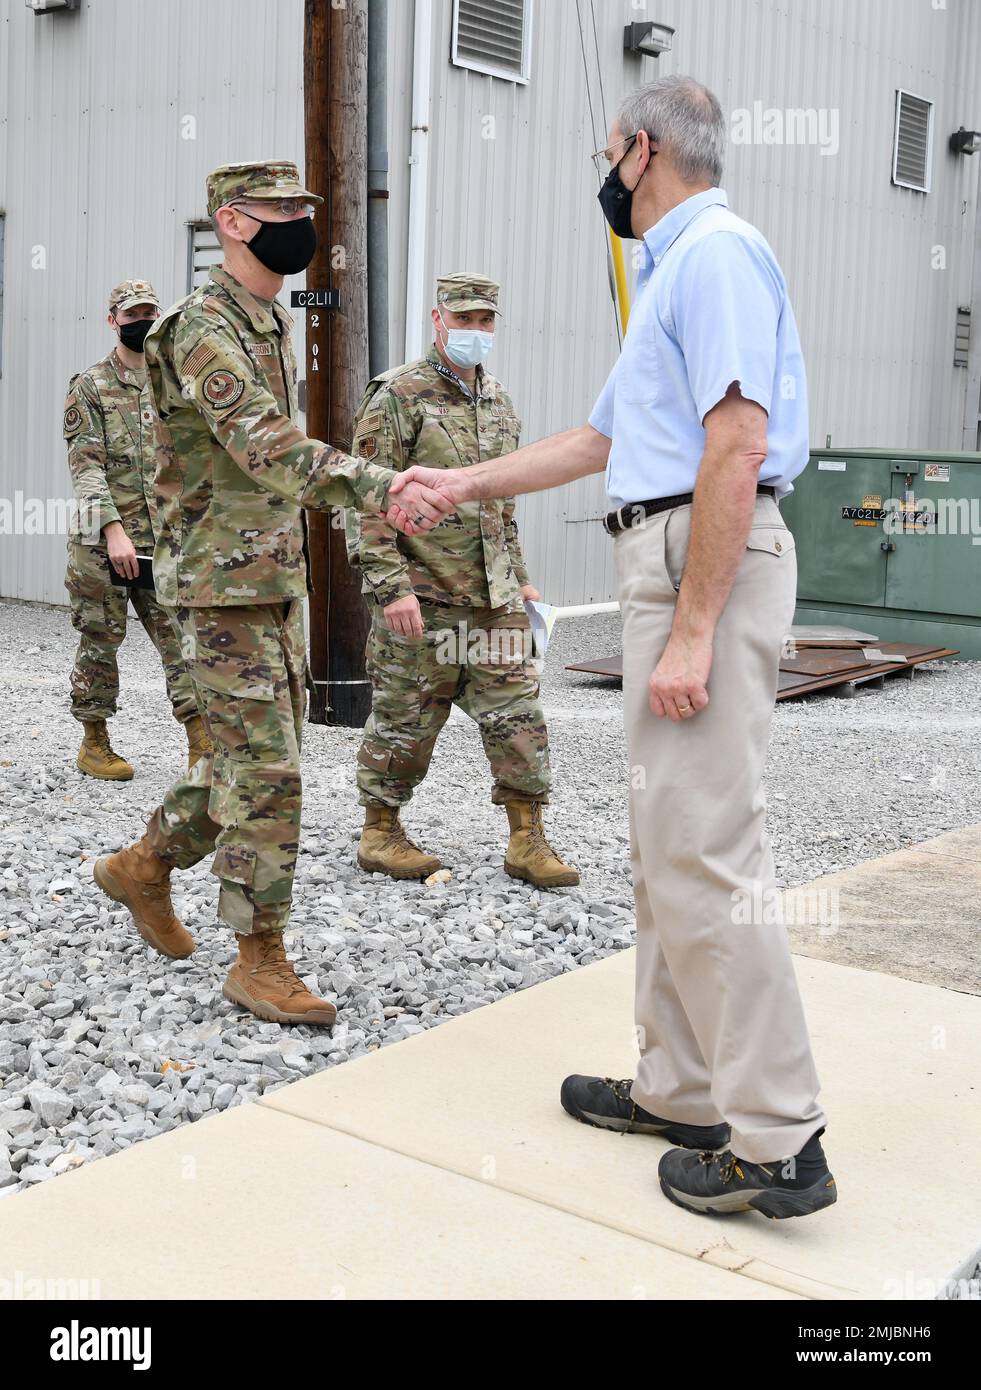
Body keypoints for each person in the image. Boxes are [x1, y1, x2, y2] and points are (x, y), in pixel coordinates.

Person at [388, 77, 836, 1220]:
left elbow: (737, 443)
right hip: (667, 548)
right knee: (666, 844)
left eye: (609, 153)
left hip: (703, 560)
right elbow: (604, 438)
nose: (605, 174)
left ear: (643, 150)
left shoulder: (719, 253)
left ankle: (782, 1143)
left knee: (709, 847)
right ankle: (683, 1090)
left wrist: (693, 629)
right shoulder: (669, 273)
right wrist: (463, 480)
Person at [93, 161, 451, 1027]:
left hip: (269, 580)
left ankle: (142, 865)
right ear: (233, 221)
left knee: (238, 765)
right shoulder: (201, 325)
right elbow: (264, 446)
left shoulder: (265, 321)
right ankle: (259, 959)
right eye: (282, 210)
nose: (301, 222)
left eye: (305, 209)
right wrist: (381, 484)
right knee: (270, 774)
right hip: (220, 588)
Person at [346, 272, 578, 889]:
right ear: (437, 318)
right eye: (464, 318)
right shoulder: (397, 395)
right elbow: (365, 498)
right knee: (407, 717)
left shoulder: (499, 400)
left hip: (494, 600)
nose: (476, 330)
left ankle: (527, 838)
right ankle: (380, 831)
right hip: (422, 594)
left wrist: (520, 578)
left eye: (485, 320)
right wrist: (389, 587)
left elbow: (501, 504)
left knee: (517, 714)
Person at [63, 279, 210, 779]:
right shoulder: (89, 386)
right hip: (102, 545)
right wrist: (112, 529)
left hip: (163, 544)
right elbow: (86, 466)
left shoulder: (172, 383)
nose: (142, 322)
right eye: (132, 316)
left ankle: (202, 747)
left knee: (181, 641)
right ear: (113, 321)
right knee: (100, 641)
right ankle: (95, 741)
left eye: (150, 313)